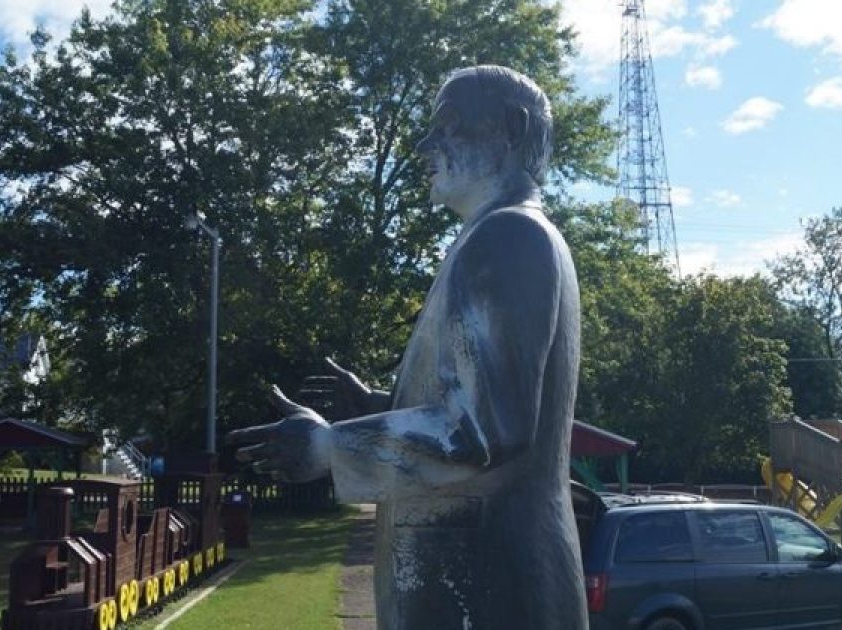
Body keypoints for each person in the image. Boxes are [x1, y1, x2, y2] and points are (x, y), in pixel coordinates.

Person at [227, 65, 585, 630]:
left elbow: (485, 431)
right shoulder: (496, 237)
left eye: (447, 126)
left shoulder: (510, 237)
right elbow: (481, 401)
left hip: (486, 593)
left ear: (510, 130)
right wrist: (378, 406)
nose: (424, 144)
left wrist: (327, 448)